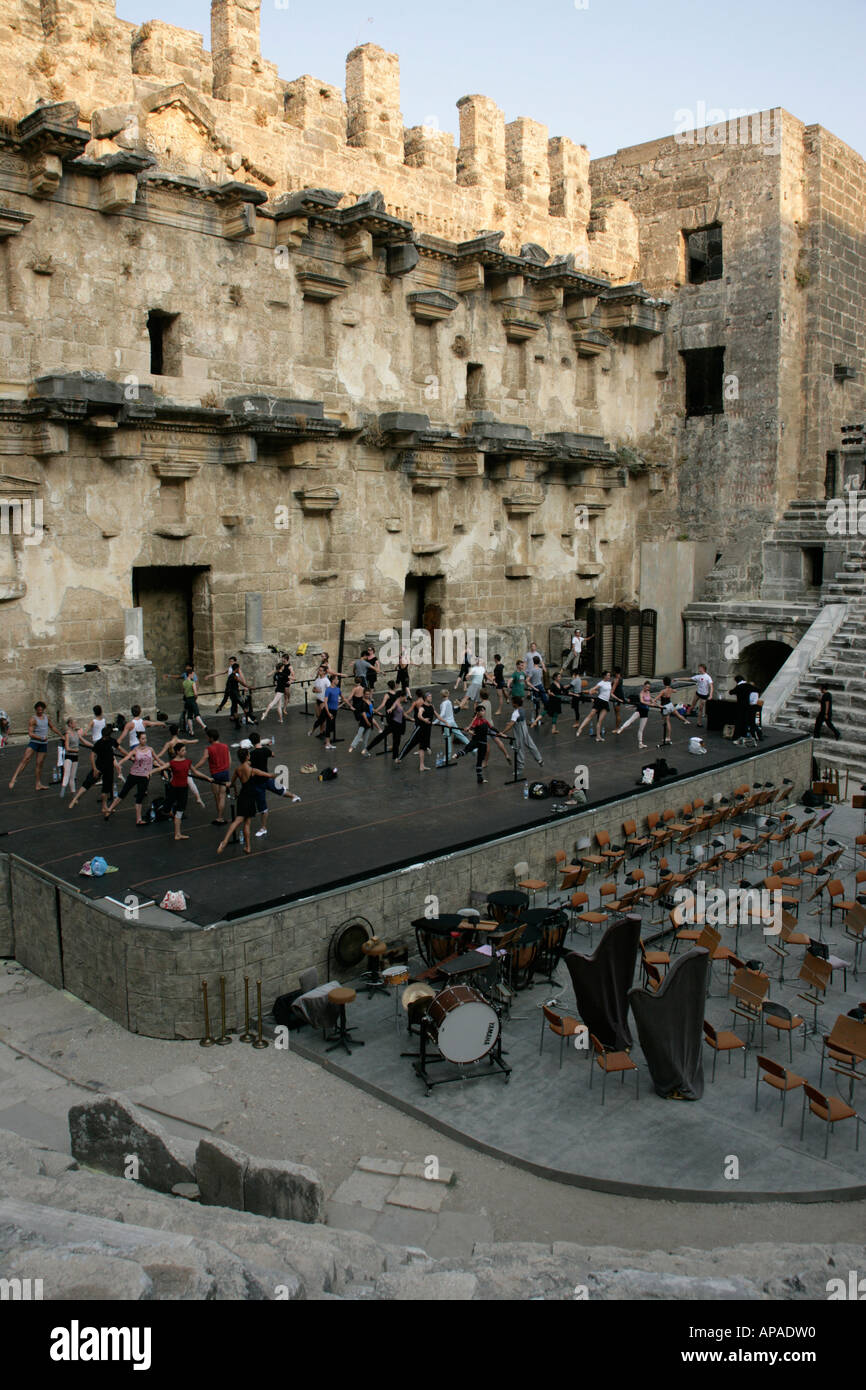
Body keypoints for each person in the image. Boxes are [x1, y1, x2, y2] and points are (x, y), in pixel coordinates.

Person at [105, 731, 169, 825]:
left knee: (140, 797)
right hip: (134, 775)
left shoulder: (150, 749)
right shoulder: (135, 750)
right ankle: (109, 810)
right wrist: (119, 764)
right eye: (143, 738)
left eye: (145, 738)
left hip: (144, 776)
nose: (144, 740)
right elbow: (127, 757)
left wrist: (167, 766)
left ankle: (138, 820)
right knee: (123, 793)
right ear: (139, 740)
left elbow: (157, 759)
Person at [246, 730, 300, 836]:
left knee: (263, 808)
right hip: (267, 778)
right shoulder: (265, 750)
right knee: (280, 790)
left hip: (258, 782)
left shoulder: (251, 754)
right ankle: (294, 796)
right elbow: (273, 755)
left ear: (251, 743)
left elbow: (247, 765)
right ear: (260, 739)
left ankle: (263, 828)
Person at [8, 701, 62, 791]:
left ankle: (38, 784)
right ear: (36, 710)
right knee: (25, 759)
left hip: (43, 744)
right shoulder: (33, 719)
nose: (40, 712)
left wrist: (61, 735)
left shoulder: (46, 718)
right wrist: (40, 738)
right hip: (34, 742)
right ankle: (14, 778)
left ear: (43, 710)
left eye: (41, 710)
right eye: (38, 710)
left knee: (39, 764)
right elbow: (30, 733)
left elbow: (53, 727)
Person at [69, 725, 120, 815]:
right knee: (88, 782)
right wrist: (95, 768)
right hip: (99, 767)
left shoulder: (112, 741)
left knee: (106, 788)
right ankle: (75, 798)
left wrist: (130, 755)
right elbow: (92, 755)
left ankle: (104, 807)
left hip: (108, 768)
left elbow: (120, 749)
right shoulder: (99, 743)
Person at [217, 749, 258, 855]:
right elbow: (265, 775)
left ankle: (248, 847)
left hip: (242, 797)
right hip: (249, 798)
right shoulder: (251, 769)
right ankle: (225, 841)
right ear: (247, 756)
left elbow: (231, 783)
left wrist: (229, 786)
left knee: (243, 821)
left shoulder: (238, 769)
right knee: (242, 821)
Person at [193, 728, 231, 824]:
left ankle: (219, 816)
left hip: (215, 774)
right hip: (225, 773)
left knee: (216, 796)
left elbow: (203, 760)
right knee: (222, 796)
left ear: (211, 738)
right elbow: (229, 760)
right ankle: (220, 816)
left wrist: (193, 768)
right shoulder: (225, 746)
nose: (207, 738)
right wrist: (226, 768)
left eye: (208, 737)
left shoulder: (209, 749)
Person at [500, 697, 543, 780]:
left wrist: (503, 732)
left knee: (519, 749)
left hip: (519, 732)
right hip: (524, 730)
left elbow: (511, 724)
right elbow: (518, 720)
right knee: (531, 745)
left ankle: (519, 769)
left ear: (515, 704)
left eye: (513, 703)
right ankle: (539, 759)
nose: (512, 704)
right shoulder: (522, 710)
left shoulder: (515, 713)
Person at [368, 682, 407, 759]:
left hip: (390, 715)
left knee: (390, 731)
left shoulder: (387, 694)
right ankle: (394, 748)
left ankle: (393, 747)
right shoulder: (396, 694)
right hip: (396, 715)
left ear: (388, 686)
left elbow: (383, 704)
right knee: (394, 733)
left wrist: (375, 710)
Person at [575, 671, 617, 741]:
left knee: (600, 721)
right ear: (604, 676)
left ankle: (598, 736)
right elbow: (593, 688)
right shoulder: (601, 683)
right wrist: (591, 691)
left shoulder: (609, 683)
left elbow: (611, 693)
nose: (609, 677)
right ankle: (580, 729)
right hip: (599, 701)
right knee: (590, 715)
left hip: (605, 703)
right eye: (608, 675)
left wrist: (618, 698)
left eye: (610, 675)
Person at [615, 680, 653, 750]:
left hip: (646, 712)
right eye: (646, 687)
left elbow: (651, 700)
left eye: (648, 687)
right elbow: (641, 701)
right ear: (644, 686)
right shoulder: (641, 693)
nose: (647, 688)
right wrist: (649, 704)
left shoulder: (648, 692)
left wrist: (655, 703)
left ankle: (640, 744)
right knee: (631, 720)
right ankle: (621, 728)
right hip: (640, 709)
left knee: (641, 729)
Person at [654, 677, 691, 746]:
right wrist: (673, 689)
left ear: (663, 682)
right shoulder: (670, 689)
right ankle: (685, 720)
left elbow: (655, 700)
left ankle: (668, 737)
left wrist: (658, 705)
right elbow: (675, 691)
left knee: (667, 721)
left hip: (665, 706)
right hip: (670, 705)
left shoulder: (663, 691)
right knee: (677, 714)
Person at [60, 718, 91, 798]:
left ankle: (73, 793)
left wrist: (94, 746)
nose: (75, 724)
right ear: (70, 724)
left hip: (75, 756)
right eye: (74, 723)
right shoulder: (67, 734)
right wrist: (75, 750)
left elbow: (84, 741)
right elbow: (67, 748)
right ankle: (63, 790)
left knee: (72, 776)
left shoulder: (76, 733)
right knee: (67, 773)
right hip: (69, 756)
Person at [437, 688, 471, 760]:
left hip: (447, 724)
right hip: (452, 722)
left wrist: (435, 721)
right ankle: (472, 747)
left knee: (448, 739)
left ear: (441, 695)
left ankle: (447, 757)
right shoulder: (449, 702)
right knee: (460, 735)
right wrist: (459, 706)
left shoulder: (444, 704)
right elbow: (454, 711)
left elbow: (442, 714)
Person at [347, 678, 375, 756]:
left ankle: (365, 751)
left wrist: (376, 711)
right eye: (366, 694)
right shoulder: (362, 703)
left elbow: (371, 710)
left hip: (369, 720)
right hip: (364, 721)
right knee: (359, 734)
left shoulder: (370, 702)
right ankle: (352, 746)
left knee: (365, 739)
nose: (367, 695)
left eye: (368, 694)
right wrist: (368, 722)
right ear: (363, 694)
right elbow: (363, 714)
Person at [261, 658, 293, 724]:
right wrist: (291, 680)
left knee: (279, 705)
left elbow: (275, 682)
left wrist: (283, 681)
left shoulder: (276, 674)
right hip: (280, 691)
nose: (284, 667)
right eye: (283, 666)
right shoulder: (284, 674)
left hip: (277, 689)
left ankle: (281, 719)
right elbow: (292, 678)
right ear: (281, 667)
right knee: (273, 702)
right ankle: (265, 713)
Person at [527, 656, 549, 728]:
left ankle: (536, 718)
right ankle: (535, 719)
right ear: (539, 662)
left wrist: (533, 687)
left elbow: (527, 681)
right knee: (538, 704)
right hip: (539, 686)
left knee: (538, 704)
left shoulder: (533, 670)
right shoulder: (540, 669)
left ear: (533, 661)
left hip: (537, 687)